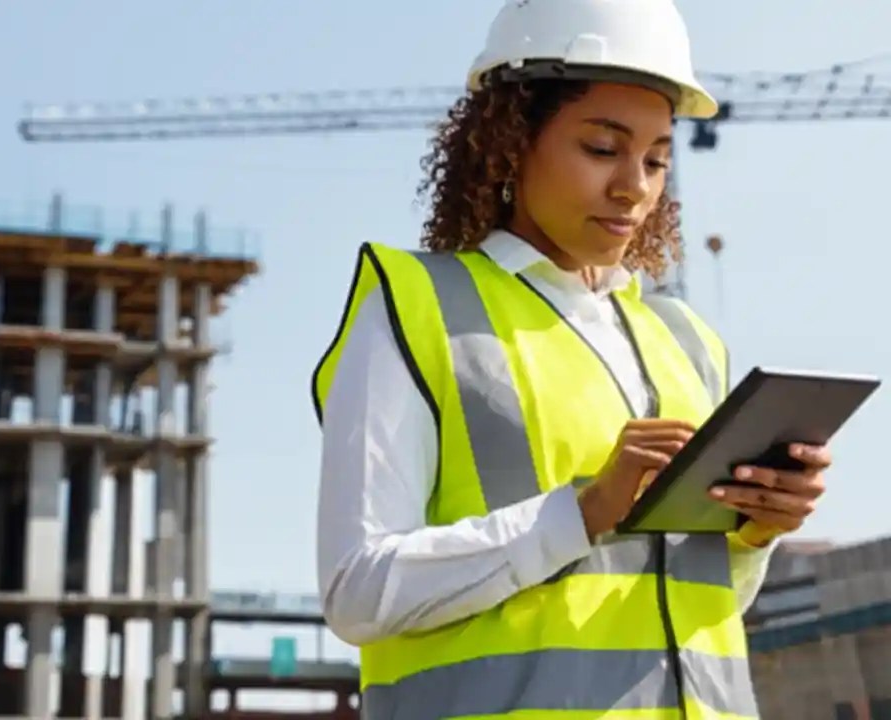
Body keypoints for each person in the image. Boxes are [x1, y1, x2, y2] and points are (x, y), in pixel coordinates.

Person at [310, 1, 831, 717]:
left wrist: (756, 531)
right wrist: (581, 513)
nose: (634, 187)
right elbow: (357, 590)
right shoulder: (416, 306)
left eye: (656, 160)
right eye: (602, 148)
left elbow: (703, 606)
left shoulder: (688, 343)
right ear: (510, 143)